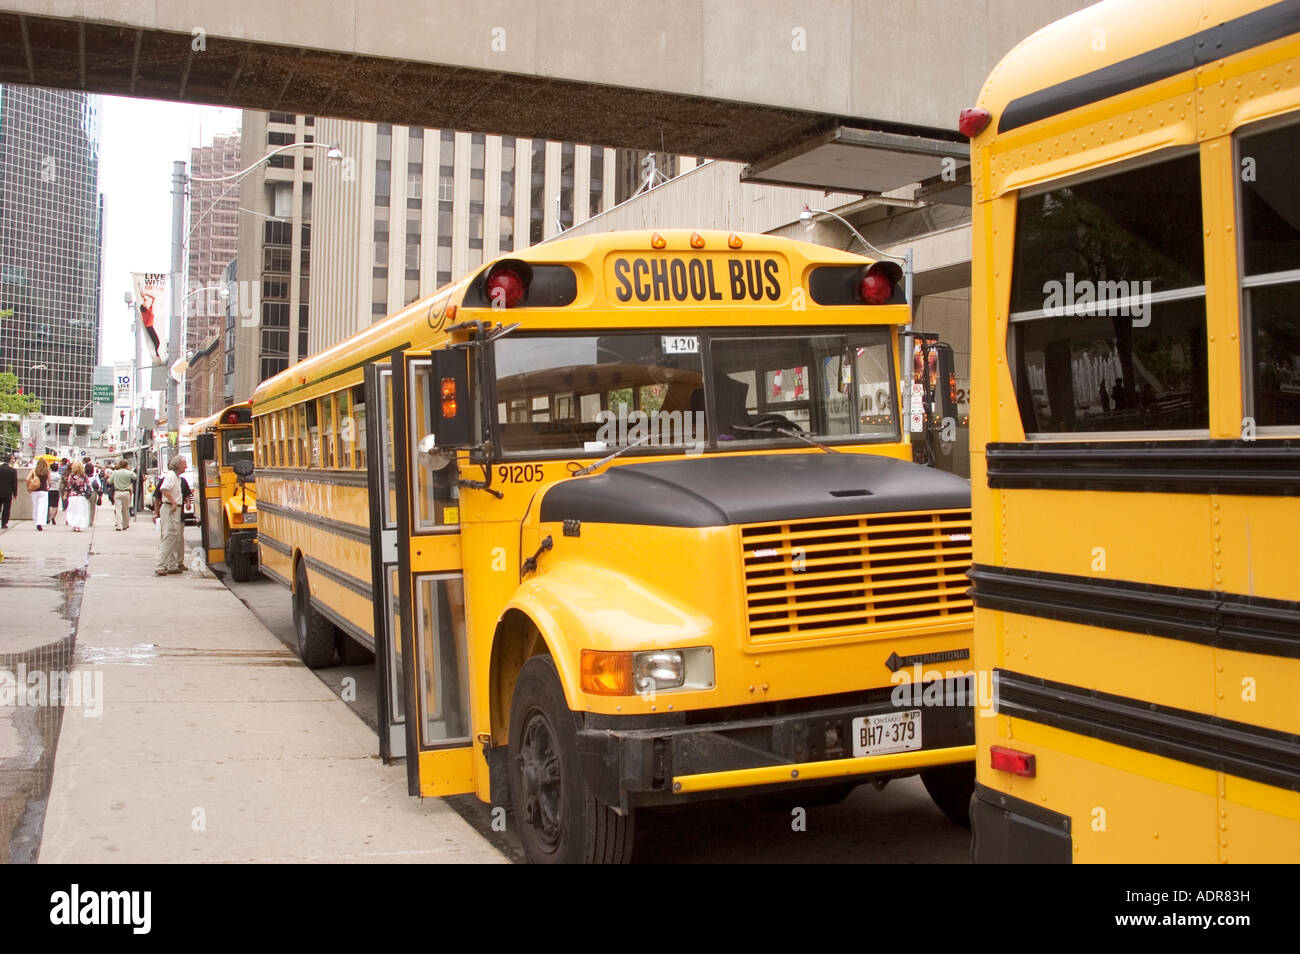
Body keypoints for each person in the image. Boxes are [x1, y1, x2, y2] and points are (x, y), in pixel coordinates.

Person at [155, 457, 186, 575]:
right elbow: (164, 489)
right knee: (169, 536)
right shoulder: (171, 476)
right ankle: (161, 565)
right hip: (170, 508)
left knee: (174, 537)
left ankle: (172, 565)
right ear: (178, 465)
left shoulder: (176, 477)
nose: (186, 467)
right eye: (184, 464)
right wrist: (173, 501)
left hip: (173, 509)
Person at [112, 459, 136, 530]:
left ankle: (119, 525)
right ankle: (125, 524)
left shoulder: (115, 472)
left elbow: (110, 481)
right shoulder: (128, 472)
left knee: (118, 509)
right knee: (125, 509)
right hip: (126, 492)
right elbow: (135, 476)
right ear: (126, 465)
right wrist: (129, 470)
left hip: (118, 492)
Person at [65, 462, 90, 532]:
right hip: (81, 495)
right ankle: (78, 526)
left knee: (73, 510)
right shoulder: (84, 476)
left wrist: (65, 494)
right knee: (80, 511)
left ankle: (74, 525)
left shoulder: (72, 476)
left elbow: (68, 486)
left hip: (73, 495)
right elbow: (88, 485)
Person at [30, 458, 49, 530]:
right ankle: (40, 522)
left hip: (35, 490)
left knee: (36, 506)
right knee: (42, 507)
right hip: (44, 491)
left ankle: (36, 519)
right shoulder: (47, 471)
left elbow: (27, 479)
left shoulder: (34, 470)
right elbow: (49, 482)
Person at [0, 454, 17, 529]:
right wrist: (15, 493)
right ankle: (4, 524)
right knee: (6, 509)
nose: (14, 460)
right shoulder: (13, 471)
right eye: (13, 459)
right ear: (9, 460)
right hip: (8, 492)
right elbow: (14, 483)